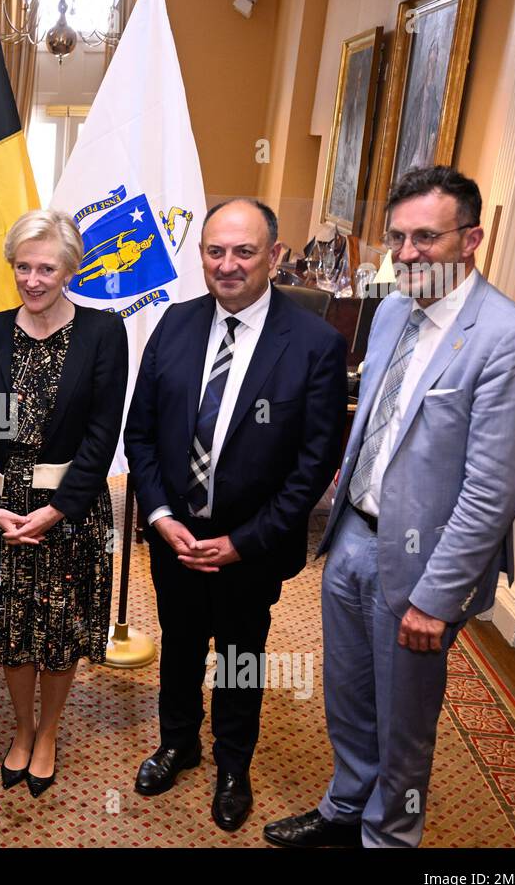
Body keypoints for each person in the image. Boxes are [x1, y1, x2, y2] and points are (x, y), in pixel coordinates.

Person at [264, 167, 515, 848]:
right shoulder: (392, 308)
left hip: (424, 565)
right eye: (398, 237)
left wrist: (438, 598)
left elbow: (491, 490)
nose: (408, 253)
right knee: (350, 699)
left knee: (405, 721)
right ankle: (343, 808)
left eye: (427, 237)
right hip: (353, 539)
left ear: (472, 239)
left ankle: (388, 838)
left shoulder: (509, 338)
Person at [124, 198, 348, 831]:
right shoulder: (173, 324)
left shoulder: (316, 346)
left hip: (252, 544)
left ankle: (232, 764)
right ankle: (177, 743)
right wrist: (161, 515)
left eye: (244, 252)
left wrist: (244, 542)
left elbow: (314, 465)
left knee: (240, 655)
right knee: (181, 642)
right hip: (174, 533)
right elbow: (140, 434)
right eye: (214, 251)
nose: (227, 265)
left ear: (274, 257)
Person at [0, 209, 127, 797]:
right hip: (3, 511)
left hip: (69, 513)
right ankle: (22, 730)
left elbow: (103, 435)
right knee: (11, 628)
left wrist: (58, 509)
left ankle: (50, 732)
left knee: (60, 628)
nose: (32, 279)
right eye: (23, 267)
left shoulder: (104, 332)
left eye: (46, 268)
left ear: (69, 270)